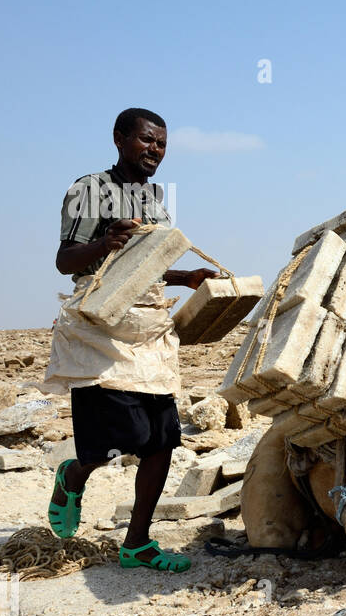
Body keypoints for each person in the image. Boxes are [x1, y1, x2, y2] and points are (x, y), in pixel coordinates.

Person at [41, 108, 218, 572]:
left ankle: (136, 543)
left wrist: (186, 277)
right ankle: (73, 475)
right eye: (146, 141)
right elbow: (65, 261)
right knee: (118, 439)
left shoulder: (155, 198)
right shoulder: (89, 190)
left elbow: (149, 266)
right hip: (105, 331)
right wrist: (104, 243)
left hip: (149, 330)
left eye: (161, 143)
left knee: (162, 440)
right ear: (119, 139)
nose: (155, 150)